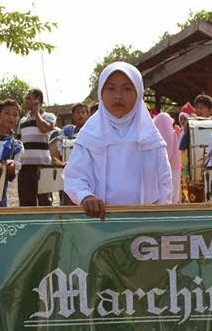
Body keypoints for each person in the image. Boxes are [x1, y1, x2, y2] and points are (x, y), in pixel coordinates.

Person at [64, 62, 171, 217]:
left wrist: (157, 217)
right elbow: (74, 176)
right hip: (100, 224)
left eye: (127, 89)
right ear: (101, 93)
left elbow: (164, 183)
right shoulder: (90, 136)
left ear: (139, 93)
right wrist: (85, 196)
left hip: (144, 223)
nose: (118, 95)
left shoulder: (150, 138)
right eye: (111, 88)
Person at [17, 88, 56, 206]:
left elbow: (44, 128)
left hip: (43, 166)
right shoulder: (22, 120)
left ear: (37, 100)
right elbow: (18, 142)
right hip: (24, 168)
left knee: (45, 202)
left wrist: (36, 112)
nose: (26, 101)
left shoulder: (48, 116)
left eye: (28, 98)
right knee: (26, 203)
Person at [153, 111, 182, 203]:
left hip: (160, 170)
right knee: (174, 192)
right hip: (175, 169)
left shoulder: (155, 140)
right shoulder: (176, 135)